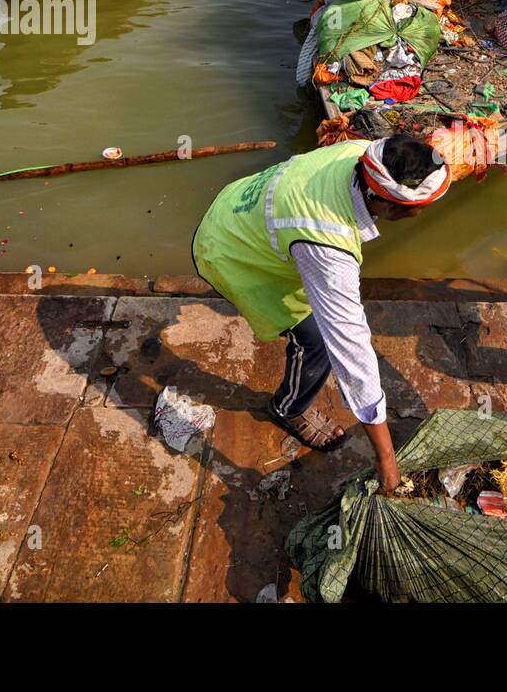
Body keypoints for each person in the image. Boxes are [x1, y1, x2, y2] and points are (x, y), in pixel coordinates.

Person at [192, 135, 452, 494]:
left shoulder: (361, 153)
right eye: (421, 207)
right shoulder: (326, 244)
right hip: (230, 250)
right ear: (391, 207)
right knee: (315, 340)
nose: (423, 212)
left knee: (320, 311)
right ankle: (288, 408)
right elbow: (351, 349)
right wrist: (387, 459)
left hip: (238, 205)